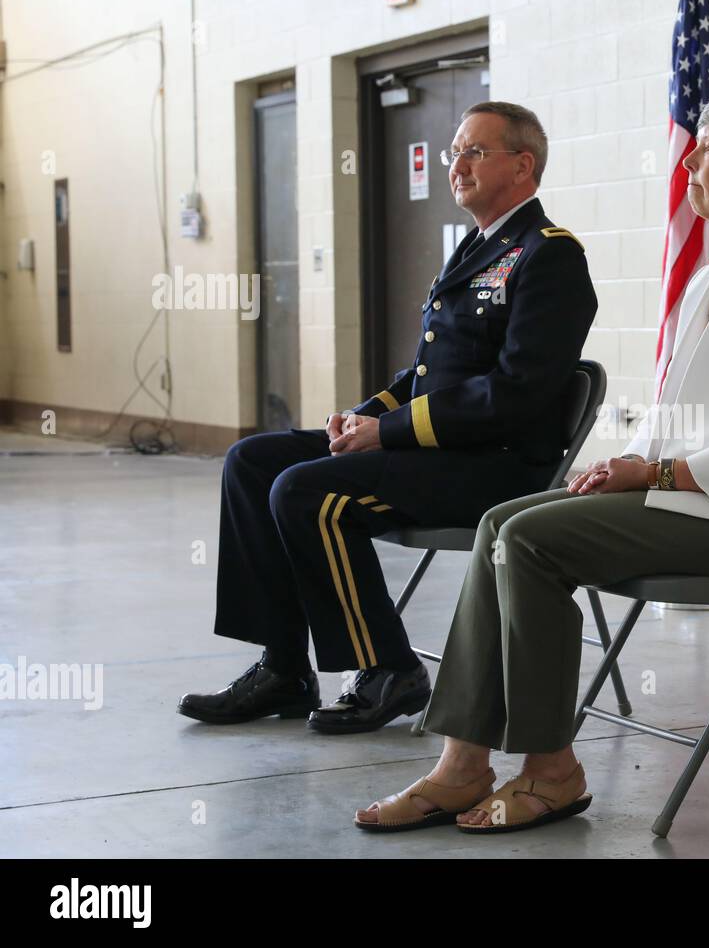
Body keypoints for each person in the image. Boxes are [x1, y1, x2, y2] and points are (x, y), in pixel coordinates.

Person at [354, 90, 709, 834]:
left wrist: (654, 476)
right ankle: (462, 764)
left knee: (529, 541)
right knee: (500, 523)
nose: (690, 158)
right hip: (686, 498)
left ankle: (552, 771)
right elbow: (676, 411)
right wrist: (626, 459)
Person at [177, 101, 597, 735]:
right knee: (252, 461)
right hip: (437, 453)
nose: (457, 164)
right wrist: (363, 416)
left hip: (497, 468)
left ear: (523, 165)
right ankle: (285, 667)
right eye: (456, 150)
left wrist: (390, 433)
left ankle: (389, 668)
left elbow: (513, 394)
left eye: (474, 151)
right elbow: (427, 375)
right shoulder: (473, 249)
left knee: (303, 491)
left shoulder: (549, 257)